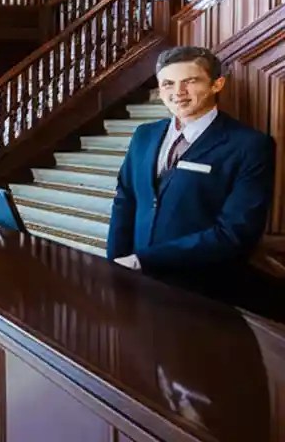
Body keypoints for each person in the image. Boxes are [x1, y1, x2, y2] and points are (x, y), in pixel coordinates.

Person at [107, 46, 277, 283]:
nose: (178, 92)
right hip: (137, 281)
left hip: (201, 286)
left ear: (217, 84)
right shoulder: (144, 135)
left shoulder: (250, 145)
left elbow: (235, 232)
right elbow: (125, 200)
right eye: (168, 84)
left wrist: (144, 260)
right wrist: (114, 263)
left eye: (190, 81)